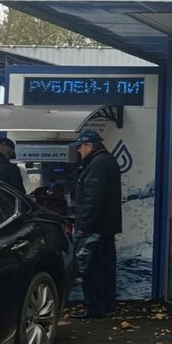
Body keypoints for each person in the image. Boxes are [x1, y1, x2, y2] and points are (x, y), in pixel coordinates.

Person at [71, 130, 122, 318]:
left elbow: (92, 199)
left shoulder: (97, 164)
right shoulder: (108, 160)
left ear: (89, 146)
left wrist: (83, 227)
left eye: (80, 147)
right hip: (107, 227)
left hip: (95, 228)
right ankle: (108, 304)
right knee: (107, 267)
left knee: (93, 270)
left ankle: (95, 307)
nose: (79, 152)